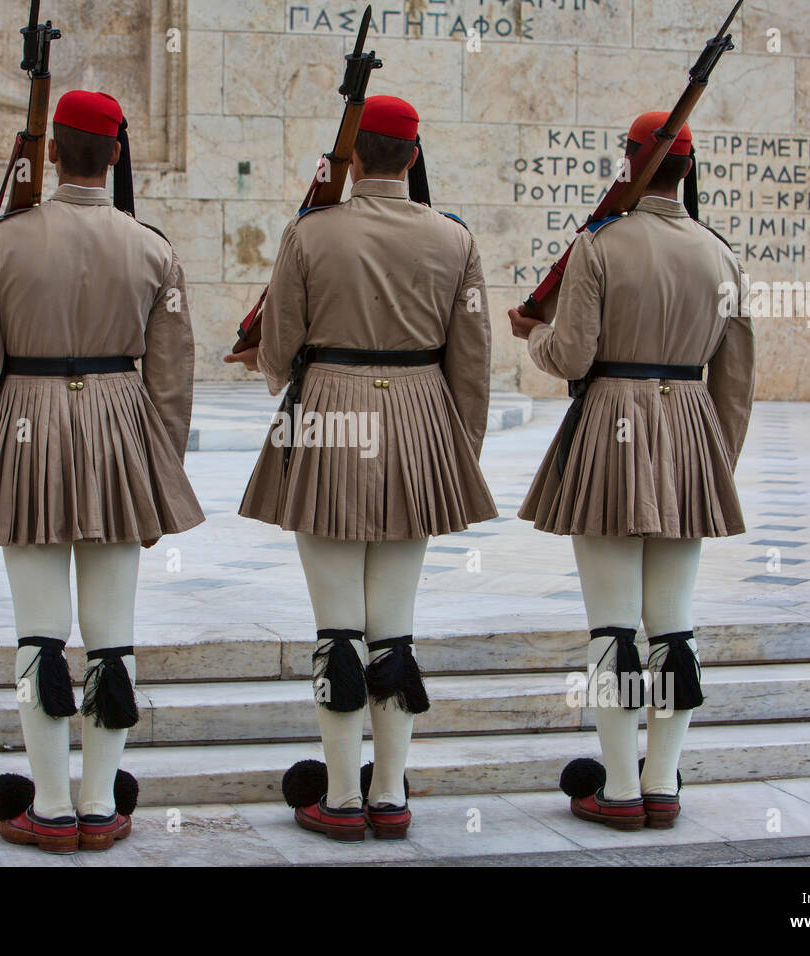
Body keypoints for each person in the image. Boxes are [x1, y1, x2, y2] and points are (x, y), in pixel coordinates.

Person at [226, 95, 497, 842]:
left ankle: (341, 797)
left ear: (355, 157)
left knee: (336, 627)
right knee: (394, 630)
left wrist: (273, 361)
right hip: (417, 423)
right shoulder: (454, 239)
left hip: (327, 421)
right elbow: (471, 362)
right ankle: (391, 793)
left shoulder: (311, 233)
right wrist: (457, 452)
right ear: (412, 157)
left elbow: (279, 357)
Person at [0, 89, 203, 853]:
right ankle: (100, 805)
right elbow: (172, 379)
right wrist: (156, 473)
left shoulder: (4, 241)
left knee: (37, 635)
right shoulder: (154, 248)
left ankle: (50, 808)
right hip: (118, 428)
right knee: (112, 638)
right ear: (117, 155)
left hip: (27, 428)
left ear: (52, 153)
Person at [509, 112, 755, 831]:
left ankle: (617, 789)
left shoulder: (600, 245)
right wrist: (713, 463)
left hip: (612, 430)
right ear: (689, 169)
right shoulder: (721, 255)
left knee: (612, 627)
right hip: (688, 429)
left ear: (628, 165)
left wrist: (535, 337)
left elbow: (574, 357)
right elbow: (735, 382)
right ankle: (662, 784)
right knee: (673, 628)